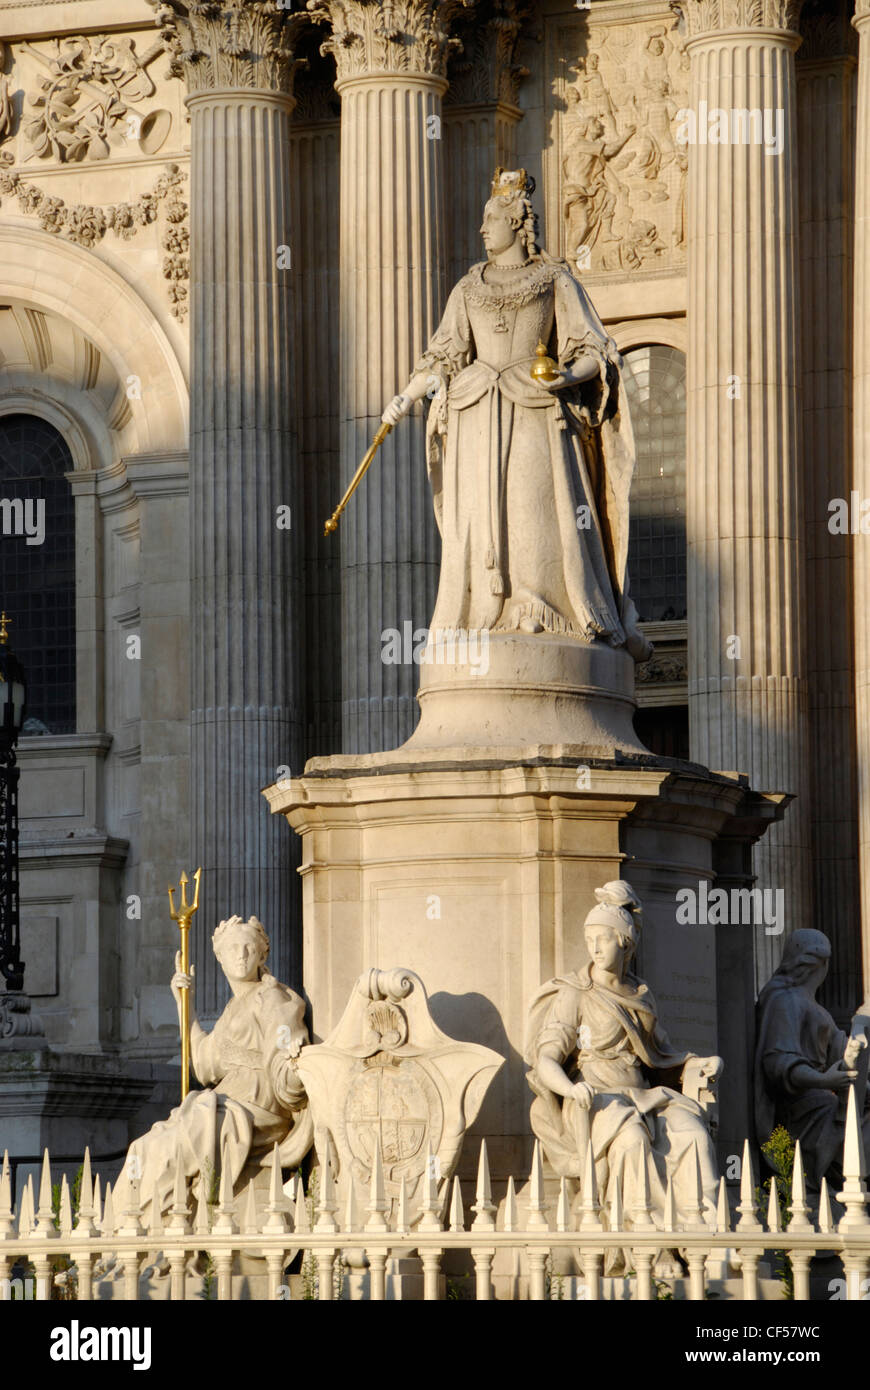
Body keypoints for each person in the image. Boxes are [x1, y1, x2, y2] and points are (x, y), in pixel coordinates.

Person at [382, 168, 650, 661]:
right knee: (481, 523)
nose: (483, 229)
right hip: (474, 415)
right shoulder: (467, 288)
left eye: (491, 219)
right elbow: (443, 355)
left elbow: (594, 348)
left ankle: (539, 605)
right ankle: (480, 611)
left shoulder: (554, 279)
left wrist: (568, 377)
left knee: (532, 514)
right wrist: (406, 396)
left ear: (516, 221)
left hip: (536, 411)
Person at [525, 882, 722, 1268]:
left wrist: (700, 1064)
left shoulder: (641, 994)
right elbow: (545, 1058)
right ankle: (650, 1243)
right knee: (631, 1141)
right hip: (594, 1098)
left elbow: (662, 1054)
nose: (594, 947)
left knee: (693, 1134)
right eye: (589, 938)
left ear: (625, 944)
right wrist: (570, 1087)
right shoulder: (576, 993)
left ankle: (706, 1238)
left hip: (643, 1095)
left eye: (603, 938)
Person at [119, 914, 311, 1224]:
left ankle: (141, 1231)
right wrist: (187, 1006)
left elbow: (285, 1056)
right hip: (228, 1104)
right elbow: (206, 1066)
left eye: (249, 947)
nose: (241, 954)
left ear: (263, 953)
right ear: (219, 958)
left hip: (256, 1109)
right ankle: (129, 1236)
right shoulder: (232, 1008)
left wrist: (293, 1064)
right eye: (233, 948)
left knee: (175, 1140)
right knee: (146, 1146)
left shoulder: (272, 997)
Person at [755, 928, 870, 1188]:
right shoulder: (785, 1001)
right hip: (805, 1111)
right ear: (823, 963)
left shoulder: (813, 1007)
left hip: (828, 1102)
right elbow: (778, 1065)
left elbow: (840, 1059)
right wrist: (823, 1080)